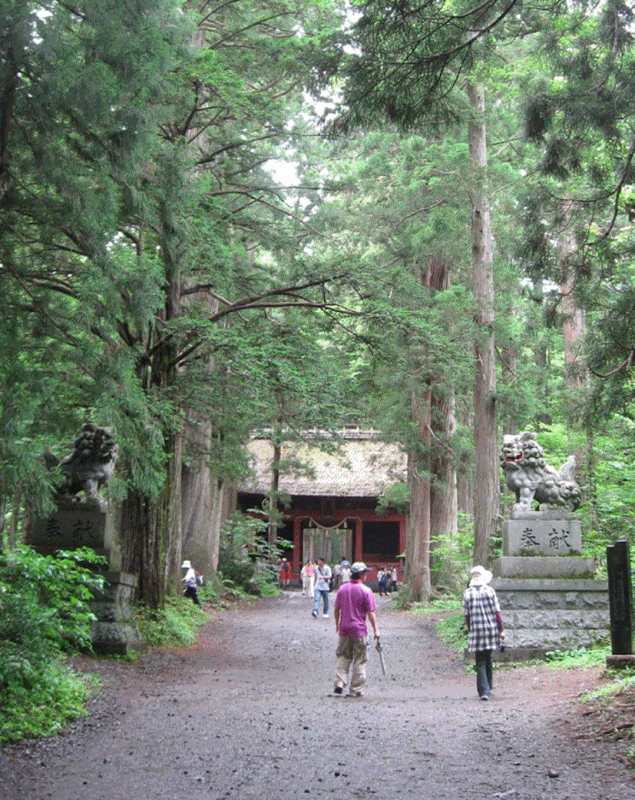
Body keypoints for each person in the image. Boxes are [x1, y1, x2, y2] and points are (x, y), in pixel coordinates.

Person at [333, 561, 380, 698]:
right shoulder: (366, 591)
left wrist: (337, 625)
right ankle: (355, 689)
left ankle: (340, 682)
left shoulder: (342, 589)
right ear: (361, 575)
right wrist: (376, 630)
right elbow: (371, 613)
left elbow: (336, 609)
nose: (367, 575)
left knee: (343, 656)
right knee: (360, 659)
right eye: (365, 572)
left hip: (344, 629)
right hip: (359, 630)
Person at [463, 565, 505, 701]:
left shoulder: (467, 593)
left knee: (480, 660)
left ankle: (484, 691)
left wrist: (470, 628)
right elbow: (497, 612)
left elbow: (467, 615)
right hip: (491, 629)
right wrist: (501, 629)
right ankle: (489, 685)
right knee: (488, 656)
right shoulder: (490, 591)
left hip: (477, 630)